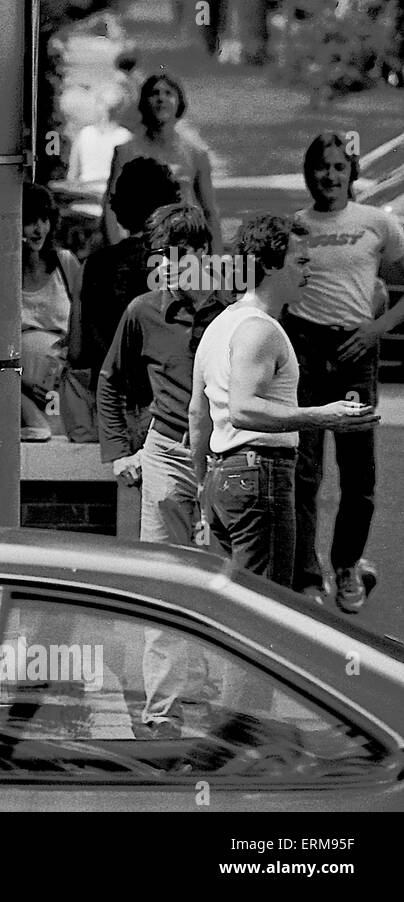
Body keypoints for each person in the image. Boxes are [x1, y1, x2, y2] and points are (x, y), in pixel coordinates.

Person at [189, 214, 379, 588]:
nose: (310, 271)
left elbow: (199, 413)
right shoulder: (261, 330)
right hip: (260, 477)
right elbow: (242, 409)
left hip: (225, 481)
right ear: (271, 264)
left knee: (244, 598)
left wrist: (203, 483)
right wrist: (323, 416)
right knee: (266, 605)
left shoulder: (220, 324)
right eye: (301, 261)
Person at [97, 202, 228, 738]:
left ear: (203, 253)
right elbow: (111, 381)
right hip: (166, 453)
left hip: (222, 458)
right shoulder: (143, 312)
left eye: (182, 252)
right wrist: (120, 452)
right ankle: (162, 718)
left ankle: (221, 711)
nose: (171, 264)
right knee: (165, 584)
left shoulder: (233, 312)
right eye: (163, 255)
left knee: (222, 586)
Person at [283, 131, 404, 611]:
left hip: (356, 350)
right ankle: (306, 576)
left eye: (338, 167)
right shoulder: (294, 225)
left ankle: (347, 564)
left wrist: (376, 330)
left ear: (352, 172)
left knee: (358, 475)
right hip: (305, 350)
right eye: (320, 166)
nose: (329, 176)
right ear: (308, 172)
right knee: (304, 473)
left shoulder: (377, 222)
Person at [66, 157, 181, 440]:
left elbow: (77, 351)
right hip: (164, 408)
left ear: (119, 208)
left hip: (108, 409)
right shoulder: (177, 267)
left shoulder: (91, 266)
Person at [102, 74, 221, 251]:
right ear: (144, 102)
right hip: (141, 249)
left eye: (168, 93)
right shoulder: (125, 152)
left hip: (184, 251)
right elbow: (109, 210)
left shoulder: (196, 155)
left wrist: (216, 260)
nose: (161, 99)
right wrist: (116, 253)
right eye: (154, 93)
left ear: (179, 103)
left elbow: (209, 211)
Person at [21, 182, 83, 442]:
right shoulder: (0, 271)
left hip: (60, 380)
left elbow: (84, 322)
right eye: (30, 221)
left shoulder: (65, 262)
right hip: (19, 386)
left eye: (44, 220)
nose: (39, 229)